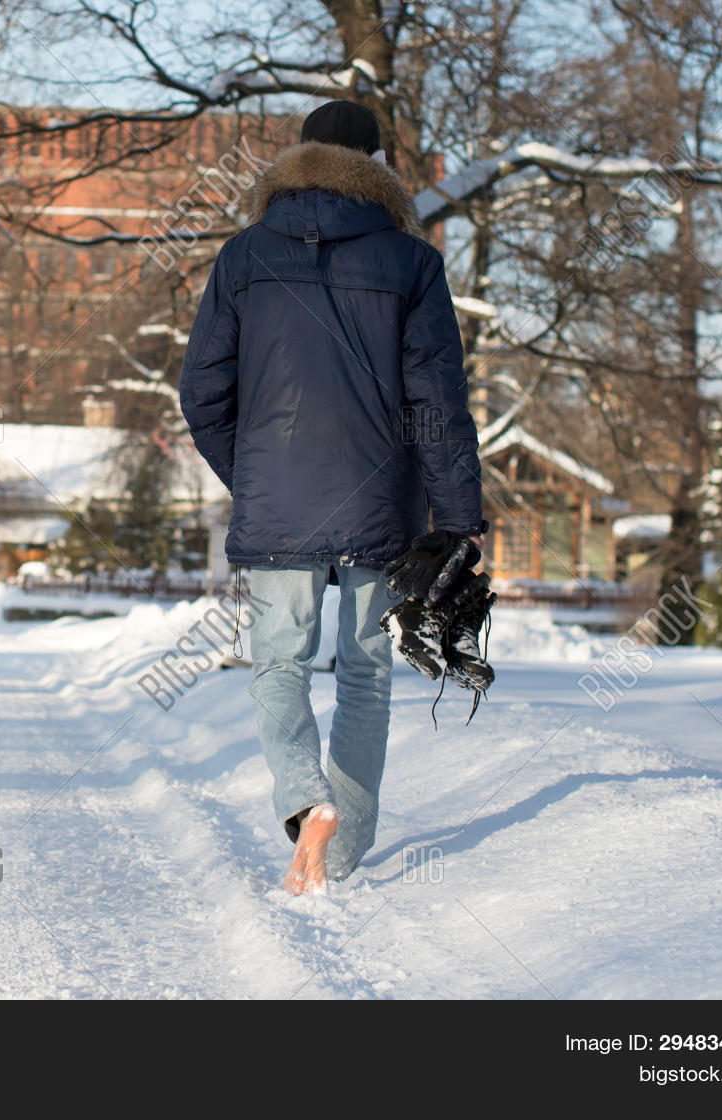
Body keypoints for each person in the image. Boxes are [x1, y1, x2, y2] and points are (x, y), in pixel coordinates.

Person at [178, 101, 485, 896]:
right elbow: (436, 407)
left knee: (278, 663)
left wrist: (253, 476)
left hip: (278, 499)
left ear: (303, 155)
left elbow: (203, 393)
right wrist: (454, 520)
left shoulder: (244, 257)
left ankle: (303, 800)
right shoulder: (412, 264)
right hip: (382, 505)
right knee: (365, 673)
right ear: (378, 164)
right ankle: (341, 855)